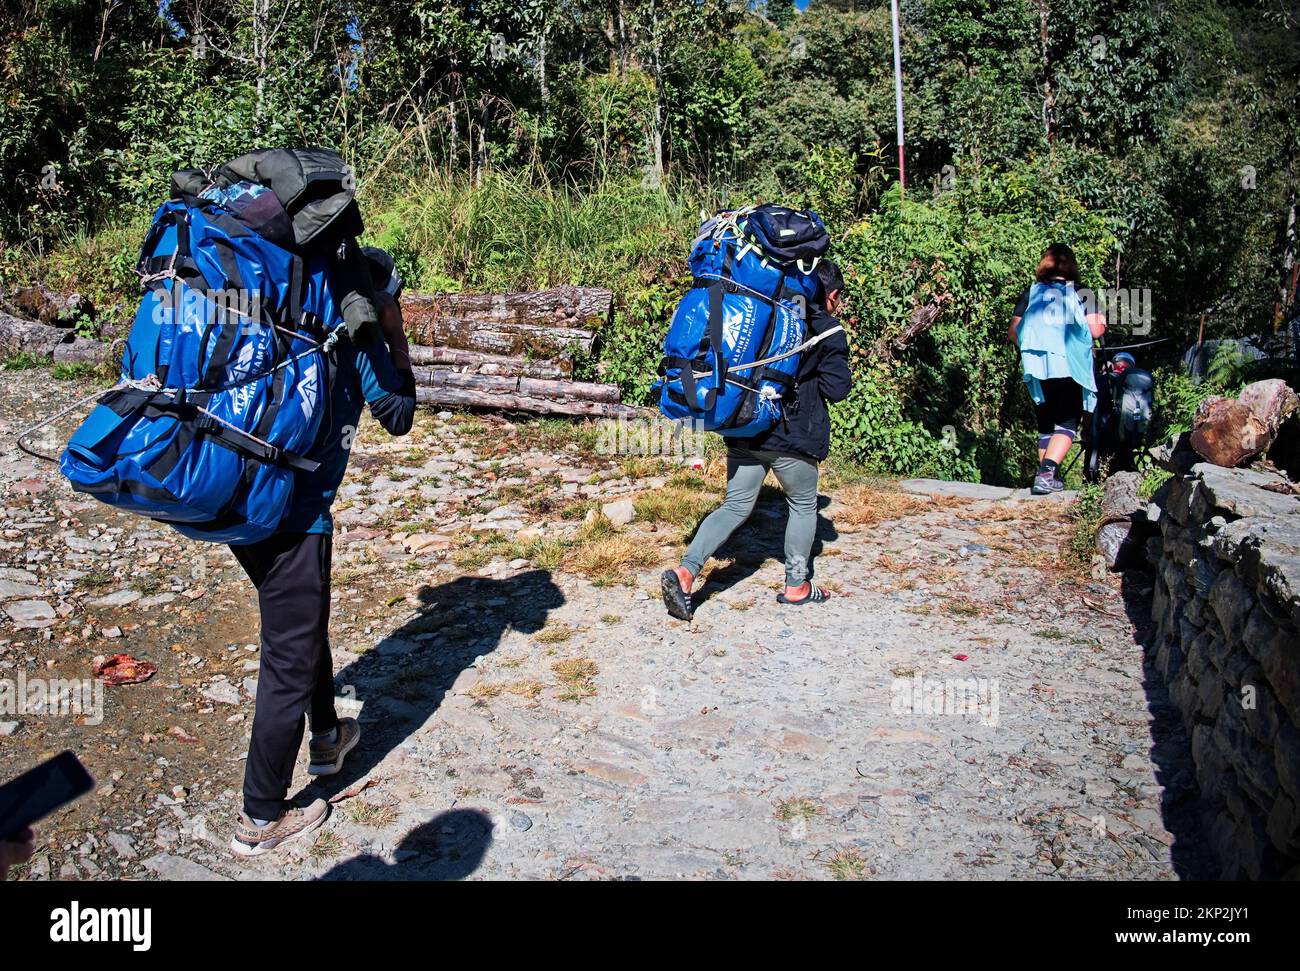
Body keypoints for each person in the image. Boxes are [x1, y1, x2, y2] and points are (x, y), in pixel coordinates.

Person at [229, 248, 416, 857]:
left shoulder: (288, 323)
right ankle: (261, 817)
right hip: (294, 511)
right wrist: (394, 335)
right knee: (289, 650)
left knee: (301, 621)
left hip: (236, 493)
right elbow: (399, 414)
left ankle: (329, 734)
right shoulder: (355, 339)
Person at [661, 259, 852, 620]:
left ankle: (686, 572)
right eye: (839, 299)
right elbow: (838, 389)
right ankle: (797, 586)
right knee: (802, 504)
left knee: (735, 506)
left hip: (748, 425)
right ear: (833, 295)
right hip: (792, 438)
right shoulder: (828, 330)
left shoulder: (772, 313)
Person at [1009, 243, 1106, 494]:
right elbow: (1096, 330)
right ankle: (1046, 474)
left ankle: (1046, 476)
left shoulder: (1032, 292)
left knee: (1045, 423)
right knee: (1066, 423)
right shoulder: (1082, 293)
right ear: (1071, 266)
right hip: (1069, 366)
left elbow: (1014, 332)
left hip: (1036, 366)